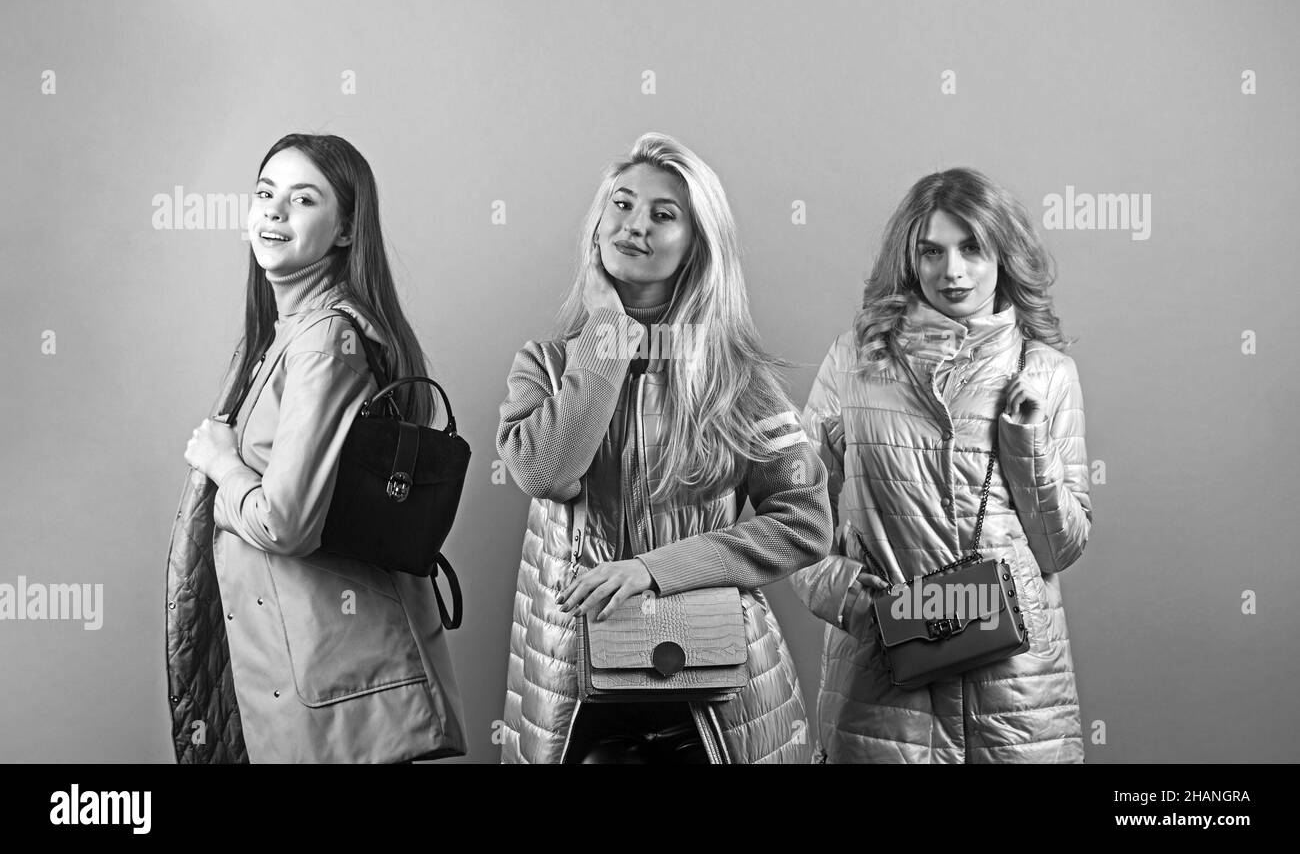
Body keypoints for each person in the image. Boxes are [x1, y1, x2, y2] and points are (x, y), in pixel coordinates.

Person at [495, 132, 832, 764]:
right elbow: (548, 472)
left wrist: (653, 571)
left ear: (696, 245)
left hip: (719, 698)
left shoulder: (738, 381)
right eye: (621, 205)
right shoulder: (544, 365)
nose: (635, 226)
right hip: (577, 697)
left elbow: (806, 524)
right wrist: (606, 336)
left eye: (663, 214)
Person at [173, 133, 466, 763]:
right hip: (312, 680)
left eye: (303, 199)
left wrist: (220, 466)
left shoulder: (323, 341)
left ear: (343, 231)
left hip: (340, 698)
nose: (274, 211)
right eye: (265, 193)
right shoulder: (288, 336)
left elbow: (285, 524)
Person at [791, 167, 1092, 764]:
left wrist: (1025, 436)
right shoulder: (854, 360)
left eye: (972, 249)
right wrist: (851, 598)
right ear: (910, 259)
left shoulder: (1046, 372)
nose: (952, 271)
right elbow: (794, 516)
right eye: (932, 251)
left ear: (1003, 255)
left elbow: (1061, 548)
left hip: (1016, 689)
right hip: (882, 685)